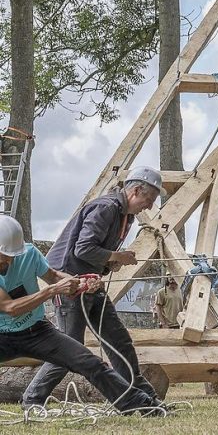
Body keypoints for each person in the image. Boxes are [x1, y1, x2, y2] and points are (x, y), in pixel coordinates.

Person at [23, 166, 165, 408]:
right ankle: (32, 399)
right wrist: (117, 257)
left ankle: (144, 399)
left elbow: (94, 254)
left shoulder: (125, 216)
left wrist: (108, 266)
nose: (149, 206)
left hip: (89, 282)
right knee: (70, 345)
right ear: (136, 190)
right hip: (68, 283)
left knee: (118, 340)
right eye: (149, 199)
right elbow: (83, 249)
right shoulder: (106, 208)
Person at [0, 215, 167, 415]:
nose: (7, 260)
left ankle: (144, 405)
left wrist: (78, 283)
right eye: (3, 255)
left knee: (90, 362)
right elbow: (10, 307)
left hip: (37, 330)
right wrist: (52, 290)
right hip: (3, 336)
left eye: (11, 255)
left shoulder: (29, 253)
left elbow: (53, 276)